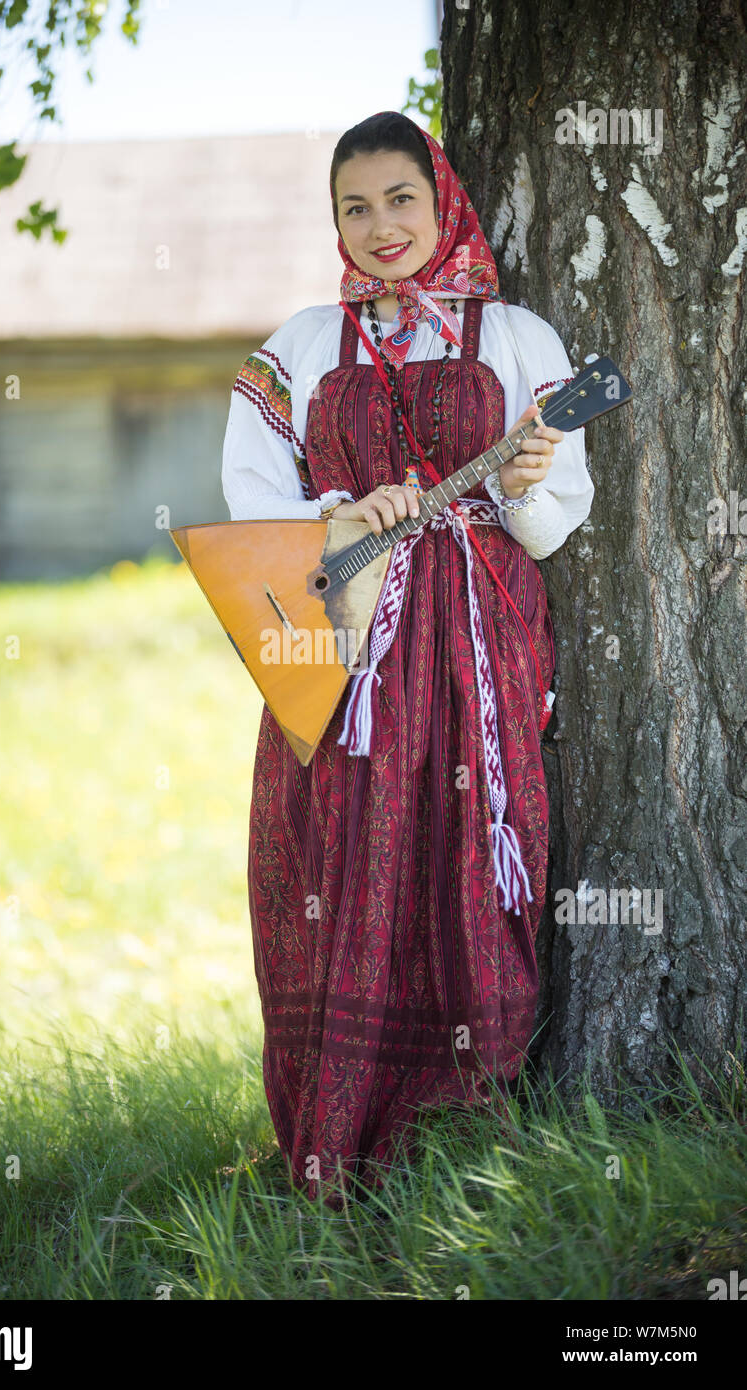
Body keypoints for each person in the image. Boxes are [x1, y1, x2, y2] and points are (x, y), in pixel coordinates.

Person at [221, 110, 593, 1209]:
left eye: (399, 199)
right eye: (354, 207)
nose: (380, 226)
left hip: (477, 640)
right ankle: (334, 1138)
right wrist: (338, 512)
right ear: (332, 221)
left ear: (440, 203)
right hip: (343, 646)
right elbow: (251, 504)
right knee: (332, 862)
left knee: (471, 853)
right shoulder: (296, 345)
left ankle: (462, 1131)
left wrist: (523, 483)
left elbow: (554, 518)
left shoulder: (517, 338)